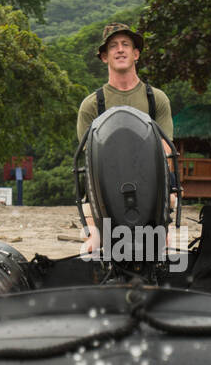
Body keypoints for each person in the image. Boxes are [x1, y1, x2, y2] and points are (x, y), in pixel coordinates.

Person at [75, 23, 174, 251]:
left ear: (135, 53)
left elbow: (166, 150)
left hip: (151, 188)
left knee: (163, 247)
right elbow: (92, 160)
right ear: (104, 57)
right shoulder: (91, 105)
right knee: (92, 248)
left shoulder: (156, 99)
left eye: (125, 44)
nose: (120, 50)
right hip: (103, 192)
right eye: (113, 46)